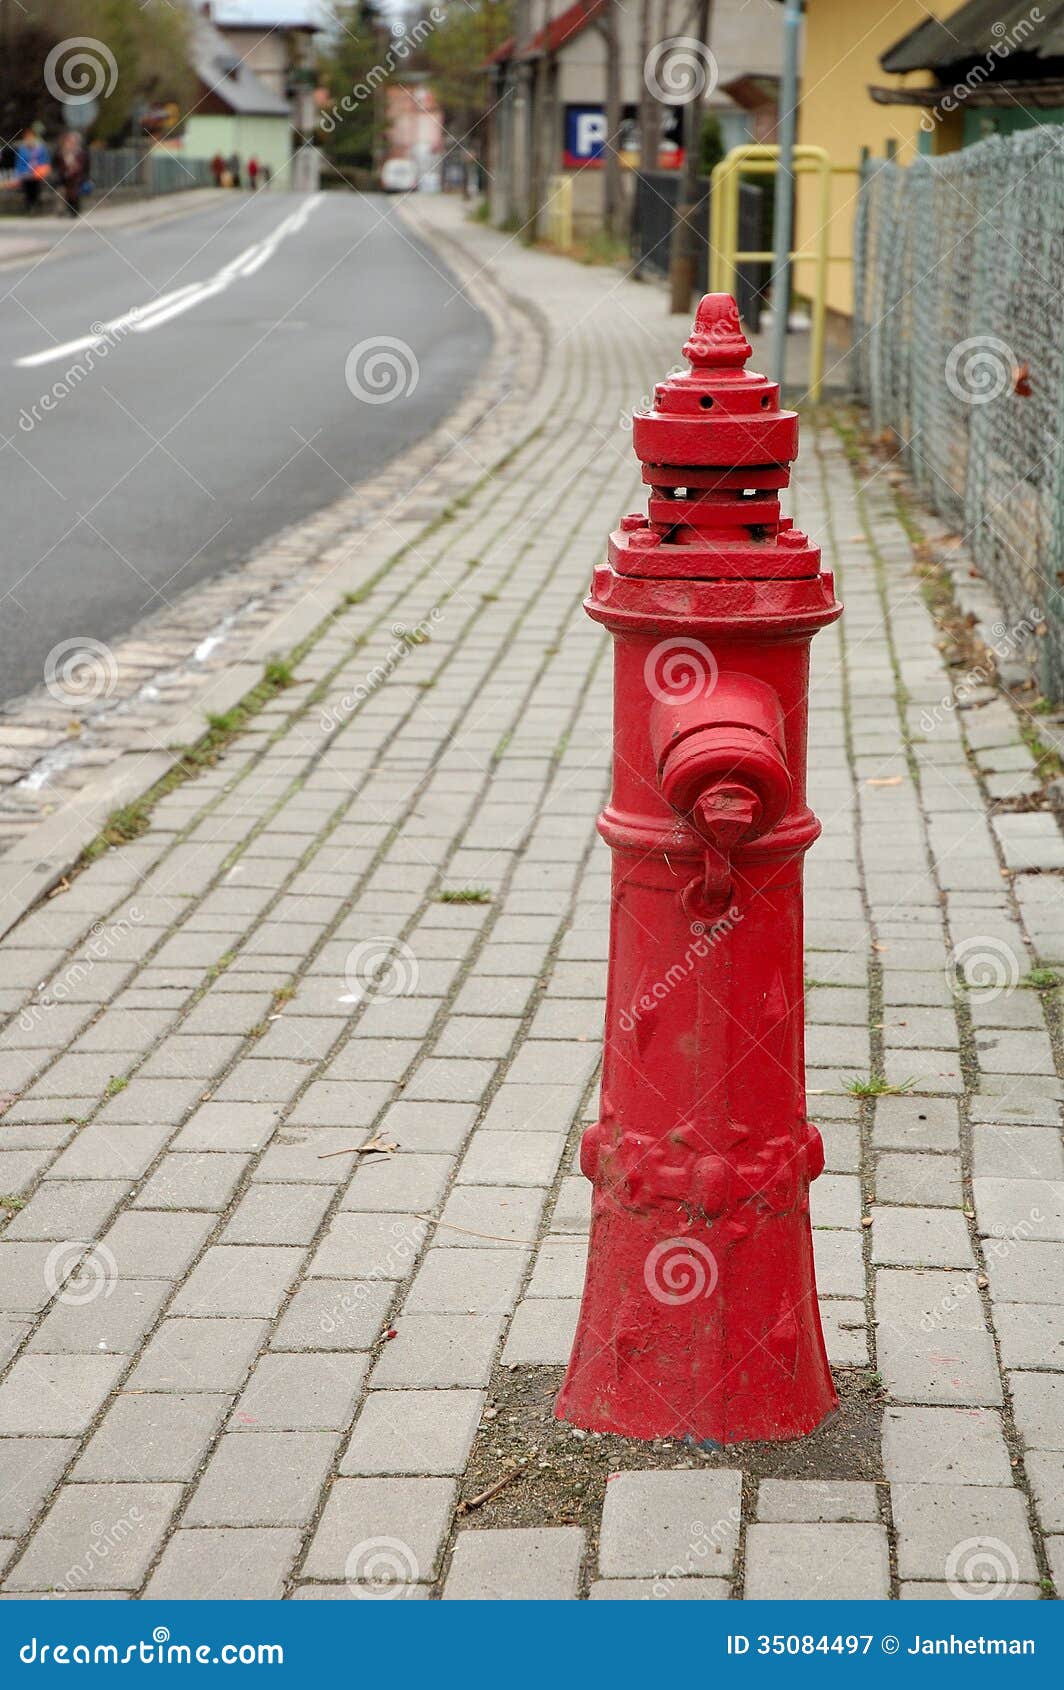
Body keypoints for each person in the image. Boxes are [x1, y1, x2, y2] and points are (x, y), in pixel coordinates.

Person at [13, 128, 50, 214]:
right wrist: (24, 172)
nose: (29, 140)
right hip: (26, 175)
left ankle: (35, 204)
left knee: (35, 183)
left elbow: (45, 161)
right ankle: (30, 206)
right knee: (27, 183)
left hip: (38, 174)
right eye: (27, 138)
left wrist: (36, 169)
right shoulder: (22, 150)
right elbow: (19, 164)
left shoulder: (40, 149)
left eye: (31, 138)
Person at [53, 130, 89, 217]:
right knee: (62, 189)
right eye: (69, 141)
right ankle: (63, 210)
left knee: (73, 189)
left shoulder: (81, 154)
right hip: (64, 179)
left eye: (72, 142)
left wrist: (73, 170)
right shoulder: (60, 154)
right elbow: (57, 167)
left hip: (78, 179)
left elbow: (83, 168)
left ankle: (74, 210)